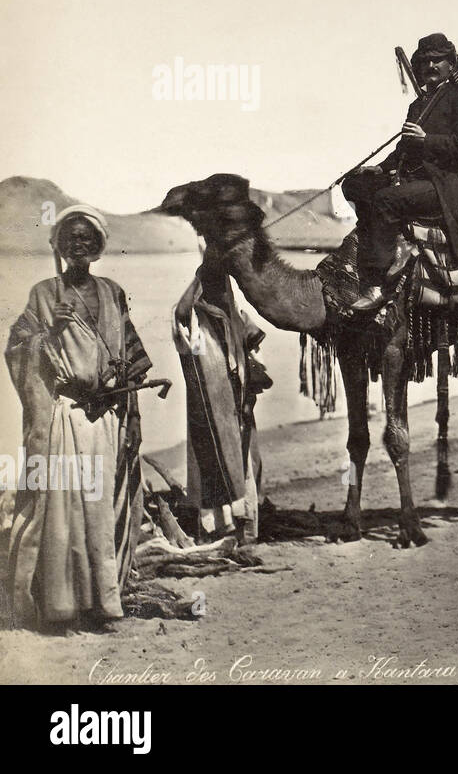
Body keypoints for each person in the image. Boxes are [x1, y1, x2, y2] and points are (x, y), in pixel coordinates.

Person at [5, 206, 151, 630]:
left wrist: (133, 419)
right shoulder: (43, 293)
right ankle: (61, 608)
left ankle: (101, 606)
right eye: (70, 237)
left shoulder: (113, 292)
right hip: (64, 415)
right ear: (58, 245)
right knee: (62, 511)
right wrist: (49, 333)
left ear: (99, 246)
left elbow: (129, 361)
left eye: (87, 237)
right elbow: (18, 349)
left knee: (99, 510)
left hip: (104, 416)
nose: (79, 244)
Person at [344, 33, 458, 310]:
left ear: (450, 65)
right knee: (353, 185)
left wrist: (427, 140)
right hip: (415, 181)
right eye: (425, 62)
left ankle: (375, 285)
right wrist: (381, 167)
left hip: (448, 186)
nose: (431, 66)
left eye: (438, 60)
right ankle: (392, 238)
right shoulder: (418, 105)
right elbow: (403, 150)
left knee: (387, 199)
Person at [173, 262, 272, 542]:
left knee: (245, 467)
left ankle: (246, 531)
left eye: (222, 286)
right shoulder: (195, 323)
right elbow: (180, 314)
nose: (220, 293)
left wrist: (250, 395)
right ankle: (217, 532)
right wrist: (201, 274)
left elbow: (257, 359)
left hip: (239, 410)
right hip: (208, 415)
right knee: (213, 466)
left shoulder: (238, 319)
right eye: (212, 287)